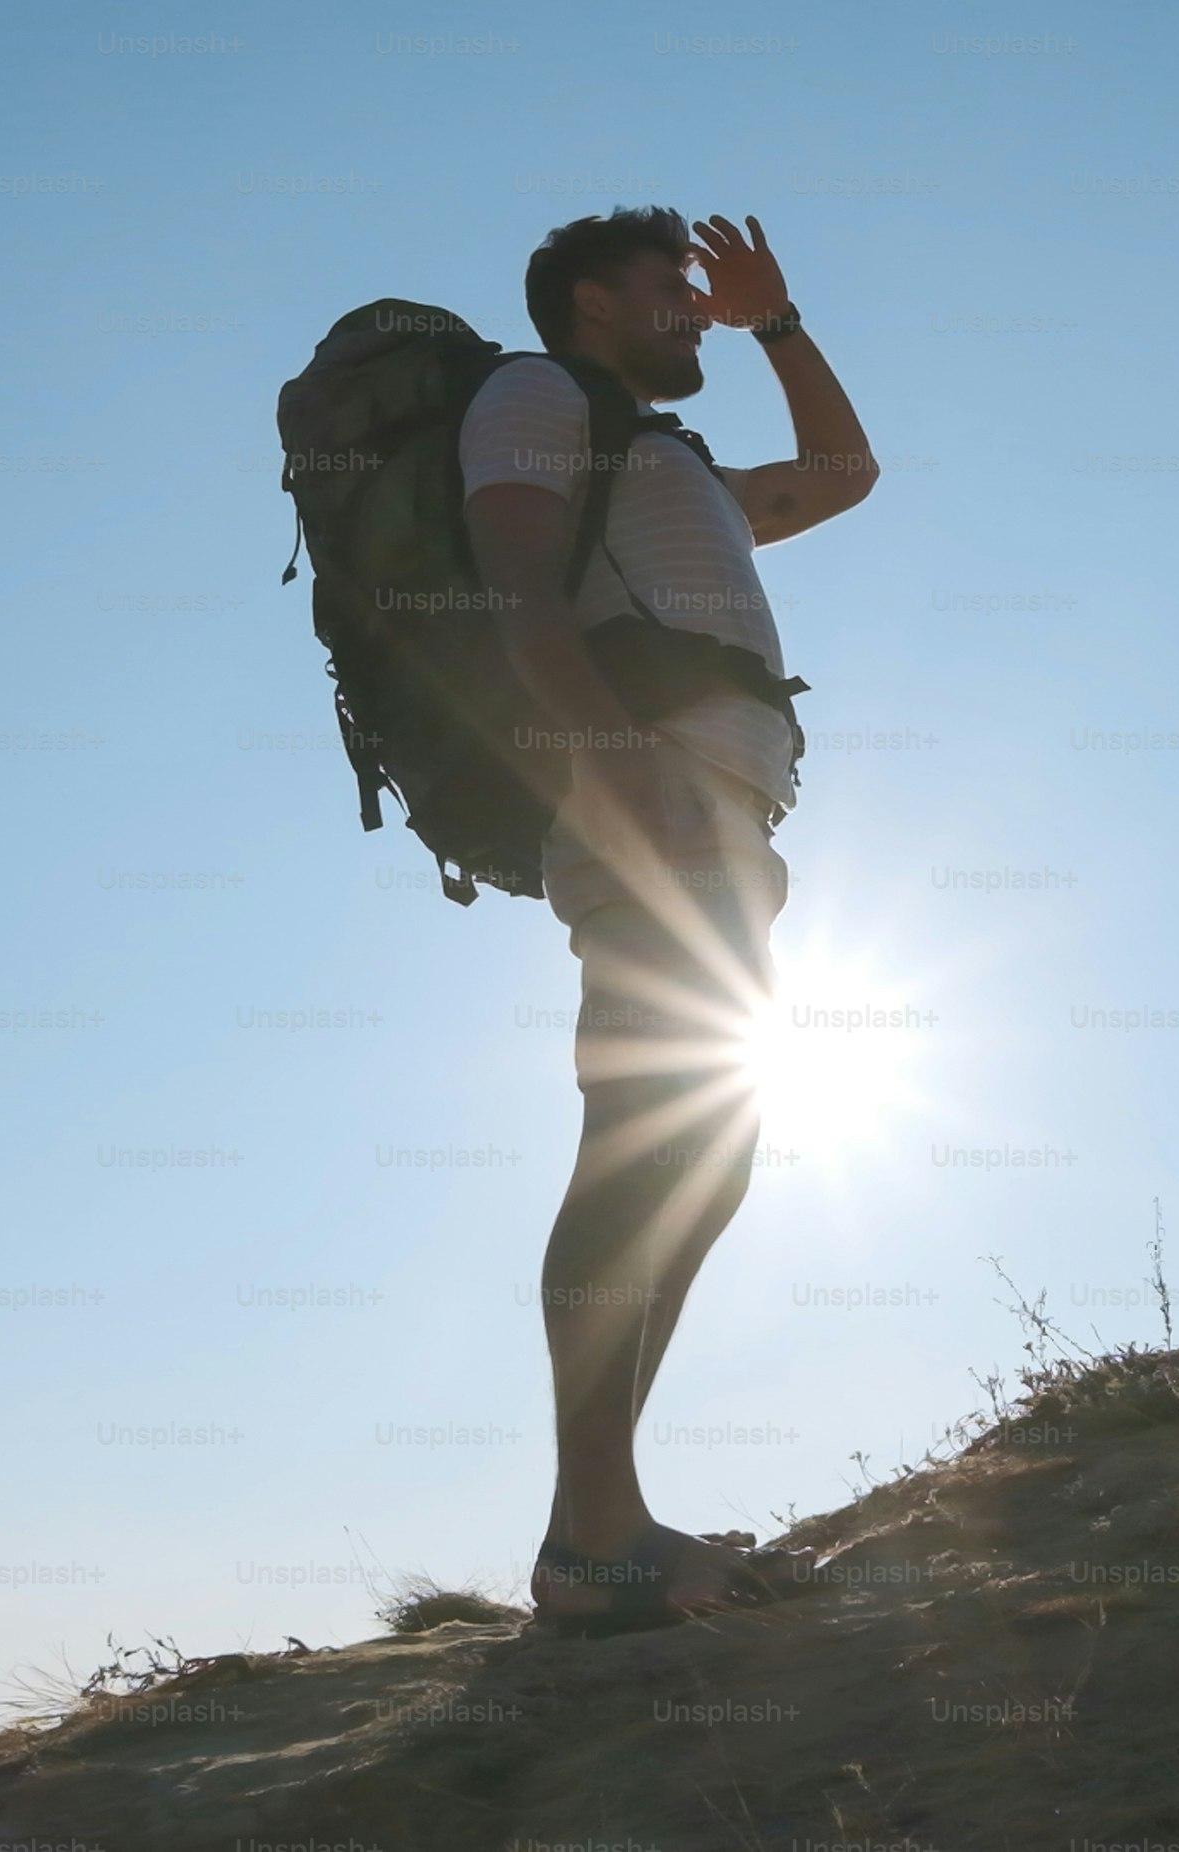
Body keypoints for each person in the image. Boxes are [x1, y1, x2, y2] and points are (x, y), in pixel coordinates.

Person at [458, 207, 875, 1633]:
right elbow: (515, 587)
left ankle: (603, 1521)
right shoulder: (535, 395)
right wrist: (618, 774)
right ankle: (589, 1541)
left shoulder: (665, 457)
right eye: (669, 292)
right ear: (586, 299)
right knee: (650, 1140)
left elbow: (841, 473)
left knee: (704, 1143)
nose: (690, 314)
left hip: (722, 816)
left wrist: (778, 324)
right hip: (653, 802)